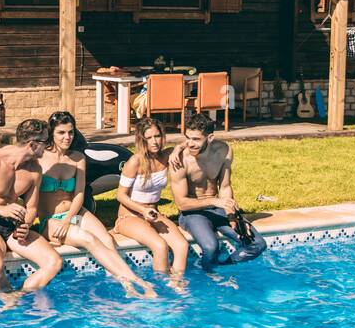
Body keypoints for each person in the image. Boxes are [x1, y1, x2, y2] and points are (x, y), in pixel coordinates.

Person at [37, 111, 153, 295]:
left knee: (107, 239)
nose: (67, 137)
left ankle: (125, 284)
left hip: (75, 212)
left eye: (71, 132)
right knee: (89, 239)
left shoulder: (77, 158)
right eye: (61, 132)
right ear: (51, 133)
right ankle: (134, 281)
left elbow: (79, 193)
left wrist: (68, 219)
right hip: (50, 220)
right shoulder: (39, 158)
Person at [0, 116, 64, 293]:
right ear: (32, 145)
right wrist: (1, 210)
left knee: (54, 262)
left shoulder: (34, 170)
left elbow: (31, 208)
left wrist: (26, 225)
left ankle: (20, 297)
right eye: (46, 142)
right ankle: (4, 308)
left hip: (14, 228)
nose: (49, 147)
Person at [167, 111, 267, 270]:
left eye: (196, 139)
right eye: (187, 138)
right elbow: (182, 204)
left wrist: (233, 216)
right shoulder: (180, 160)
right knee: (211, 248)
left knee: (257, 244)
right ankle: (208, 277)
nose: (190, 144)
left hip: (219, 209)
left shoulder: (223, 150)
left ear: (210, 138)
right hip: (192, 214)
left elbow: (225, 186)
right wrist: (214, 201)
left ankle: (222, 267)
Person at [113, 118, 191, 277]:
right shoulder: (135, 161)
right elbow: (120, 195)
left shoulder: (165, 156)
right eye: (148, 138)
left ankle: (178, 284)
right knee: (160, 246)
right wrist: (143, 209)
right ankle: (162, 289)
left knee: (182, 245)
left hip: (153, 214)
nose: (154, 142)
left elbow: (189, 143)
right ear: (141, 140)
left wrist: (176, 150)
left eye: (157, 136)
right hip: (129, 216)